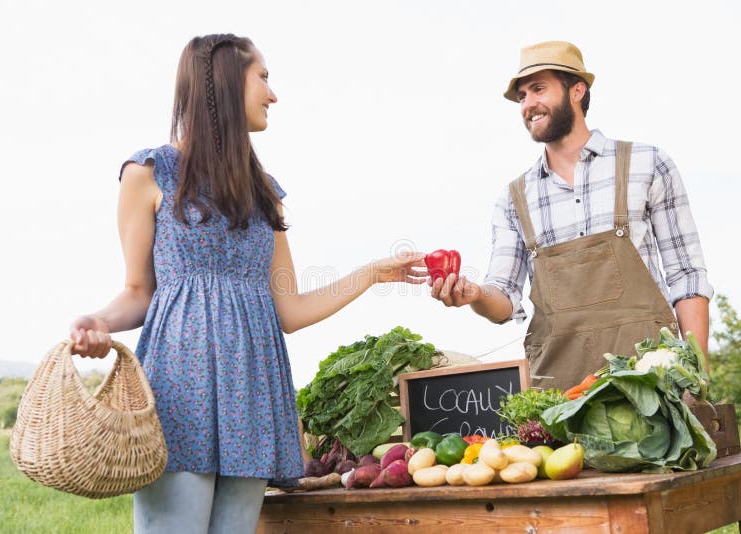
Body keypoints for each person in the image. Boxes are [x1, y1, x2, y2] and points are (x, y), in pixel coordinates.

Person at [69, 34, 427, 534]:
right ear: (224, 82)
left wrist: (371, 274)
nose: (273, 94)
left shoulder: (265, 194)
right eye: (263, 77)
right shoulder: (151, 173)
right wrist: (96, 321)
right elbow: (138, 292)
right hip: (181, 391)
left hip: (253, 395)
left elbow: (289, 309)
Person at [430, 40, 712, 390]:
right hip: (558, 399)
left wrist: (697, 377)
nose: (528, 104)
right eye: (521, 97)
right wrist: (474, 296)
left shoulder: (647, 164)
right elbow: (502, 300)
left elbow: (687, 277)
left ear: (577, 90)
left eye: (538, 89)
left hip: (651, 387)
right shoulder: (514, 198)